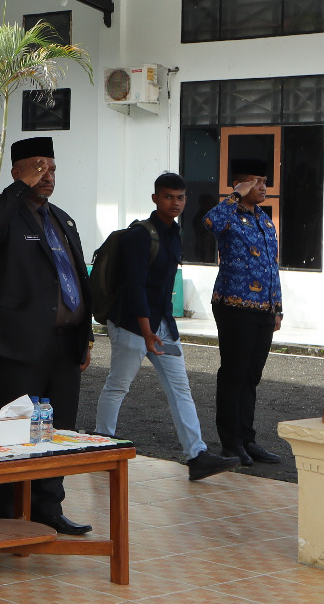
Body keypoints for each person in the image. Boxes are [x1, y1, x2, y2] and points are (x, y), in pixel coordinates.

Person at [0, 136, 94, 536]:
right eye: (39, 168)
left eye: (52, 168)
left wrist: (86, 335)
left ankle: (48, 508)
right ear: (17, 173)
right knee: (13, 428)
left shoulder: (62, 219)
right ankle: (10, 515)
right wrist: (21, 187)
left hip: (64, 343)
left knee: (57, 430)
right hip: (17, 344)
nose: (48, 175)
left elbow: (76, 277)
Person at [95, 172, 240, 482]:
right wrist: (146, 331)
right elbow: (135, 287)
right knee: (118, 386)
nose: (175, 203)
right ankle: (102, 445)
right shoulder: (140, 236)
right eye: (169, 197)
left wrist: (159, 329)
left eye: (181, 197)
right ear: (155, 198)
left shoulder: (174, 232)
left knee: (180, 388)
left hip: (162, 326)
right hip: (132, 325)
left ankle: (197, 455)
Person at [203, 158, 284, 466]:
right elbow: (209, 222)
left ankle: (248, 440)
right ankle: (231, 442)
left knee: (251, 377)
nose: (263, 186)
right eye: (255, 181)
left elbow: (271, 267)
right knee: (233, 374)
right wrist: (235, 195)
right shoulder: (229, 216)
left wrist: (277, 308)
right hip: (234, 307)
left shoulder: (265, 220)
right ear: (239, 184)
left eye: (264, 181)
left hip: (264, 309)